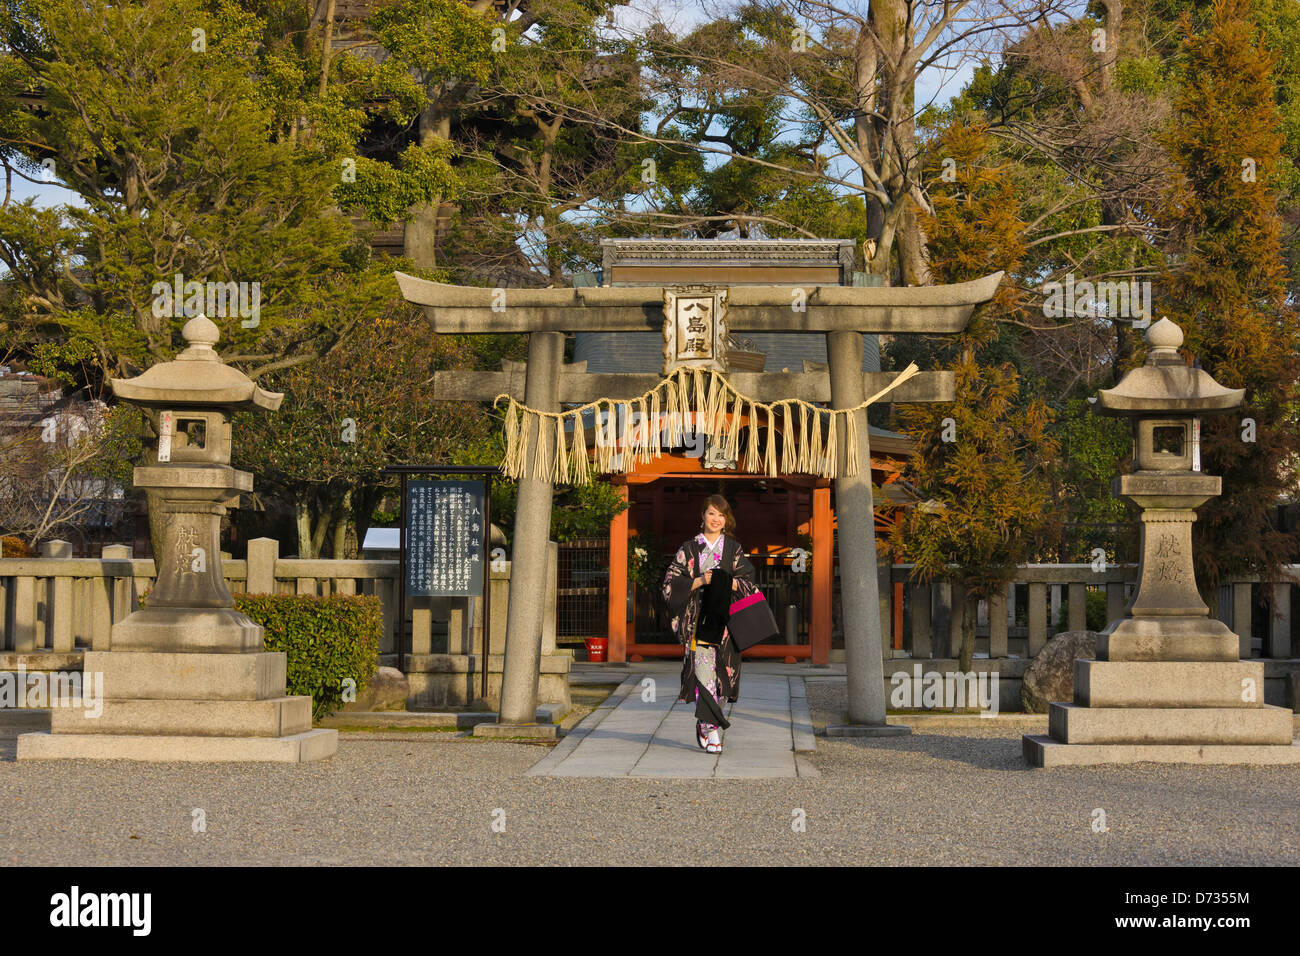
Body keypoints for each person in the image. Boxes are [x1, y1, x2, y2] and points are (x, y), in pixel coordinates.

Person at [661, 494, 758, 754]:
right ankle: (713, 730)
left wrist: (725, 581)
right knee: (704, 675)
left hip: (726, 623)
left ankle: (705, 722)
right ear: (702, 515)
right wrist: (701, 580)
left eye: (721, 515)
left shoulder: (733, 549)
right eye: (712, 513)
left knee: (725, 678)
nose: (716, 519)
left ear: (726, 520)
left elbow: (749, 583)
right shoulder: (688, 549)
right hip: (699, 622)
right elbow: (670, 585)